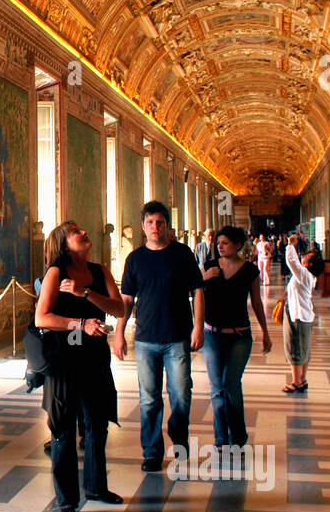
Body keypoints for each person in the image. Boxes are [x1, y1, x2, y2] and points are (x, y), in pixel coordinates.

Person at [35, 221, 126, 512]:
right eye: (76, 230)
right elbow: (42, 317)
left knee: (97, 424)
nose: (84, 231)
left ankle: (97, 488)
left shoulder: (99, 271)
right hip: (65, 357)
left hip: (95, 357)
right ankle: (67, 501)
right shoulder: (55, 272)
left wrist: (85, 293)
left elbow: (119, 309)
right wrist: (81, 324)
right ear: (64, 243)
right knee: (63, 431)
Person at [112, 201, 205, 472]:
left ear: (167, 225)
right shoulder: (135, 259)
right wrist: (119, 333)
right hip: (145, 340)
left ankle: (179, 438)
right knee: (149, 399)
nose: (155, 227)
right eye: (150, 222)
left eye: (160, 222)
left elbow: (197, 291)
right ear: (143, 226)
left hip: (177, 337)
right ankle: (152, 452)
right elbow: (126, 300)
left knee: (181, 396)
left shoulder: (182, 254)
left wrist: (198, 326)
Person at [199, 226, 272, 447]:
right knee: (216, 389)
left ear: (238, 245)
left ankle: (238, 438)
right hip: (212, 335)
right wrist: (204, 278)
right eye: (218, 243)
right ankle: (221, 438)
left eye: (225, 243)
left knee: (231, 384)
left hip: (239, 336)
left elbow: (257, 303)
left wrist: (265, 333)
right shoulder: (209, 267)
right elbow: (193, 294)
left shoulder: (250, 271)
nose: (220, 247)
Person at [282, 229, 317, 394]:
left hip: (298, 316)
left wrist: (290, 245)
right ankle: (302, 379)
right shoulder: (306, 276)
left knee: (295, 347)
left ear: (310, 264)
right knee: (304, 348)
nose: (303, 257)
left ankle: (296, 381)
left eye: (306, 257)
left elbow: (291, 261)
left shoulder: (304, 274)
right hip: (303, 315)